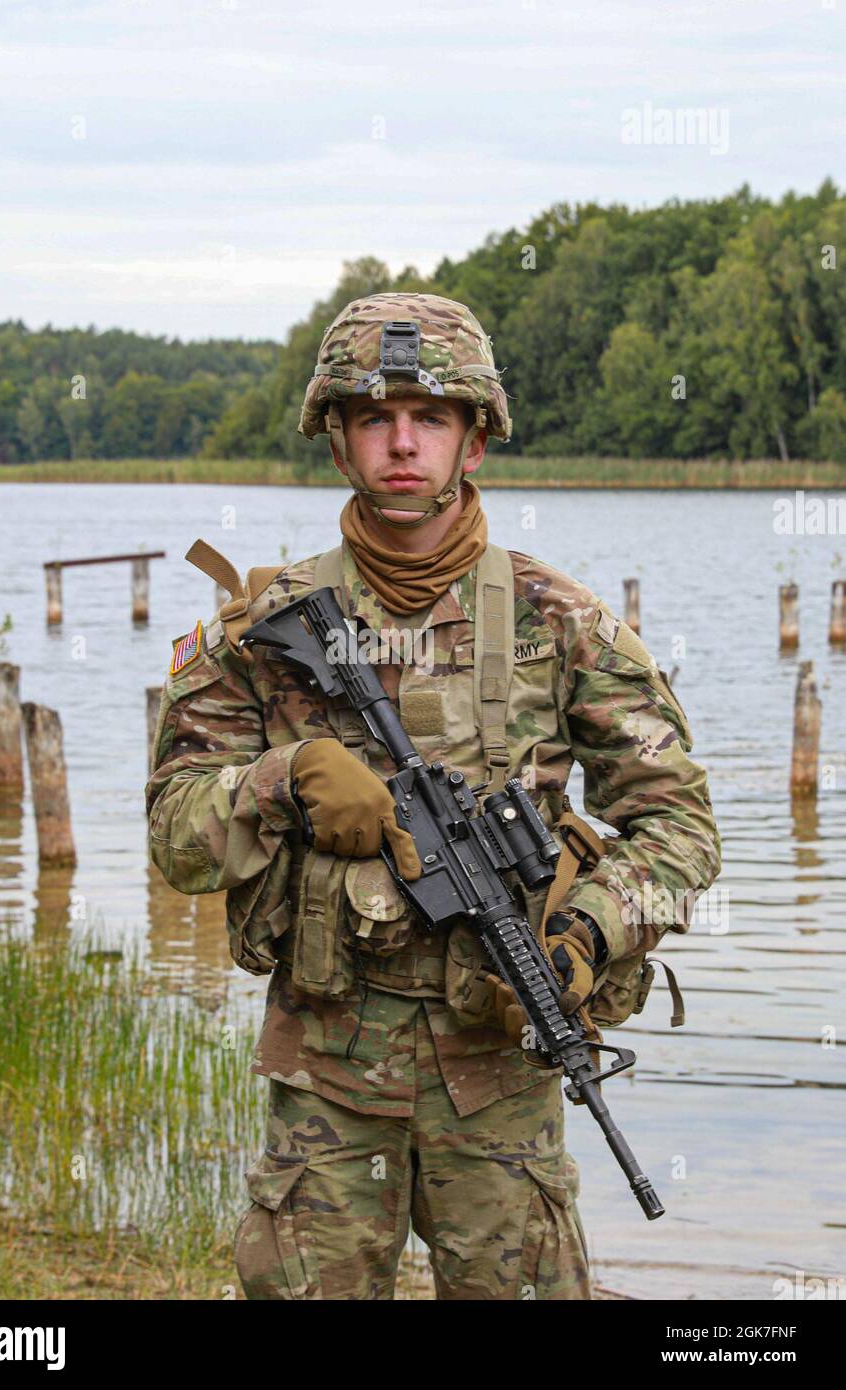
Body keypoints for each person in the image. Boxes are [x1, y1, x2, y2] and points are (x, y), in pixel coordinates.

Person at [146, 292, 721, 1301]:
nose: (401, 442)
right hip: (327, 1072)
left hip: (501, 1071)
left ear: (475, 441)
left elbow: (679, 827)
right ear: (337, 441)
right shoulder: (262, 630)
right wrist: (283, 779)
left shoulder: (563, 622)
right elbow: (177, 840)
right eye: (373, 417)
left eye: (430, 418)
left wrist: (584, 933)